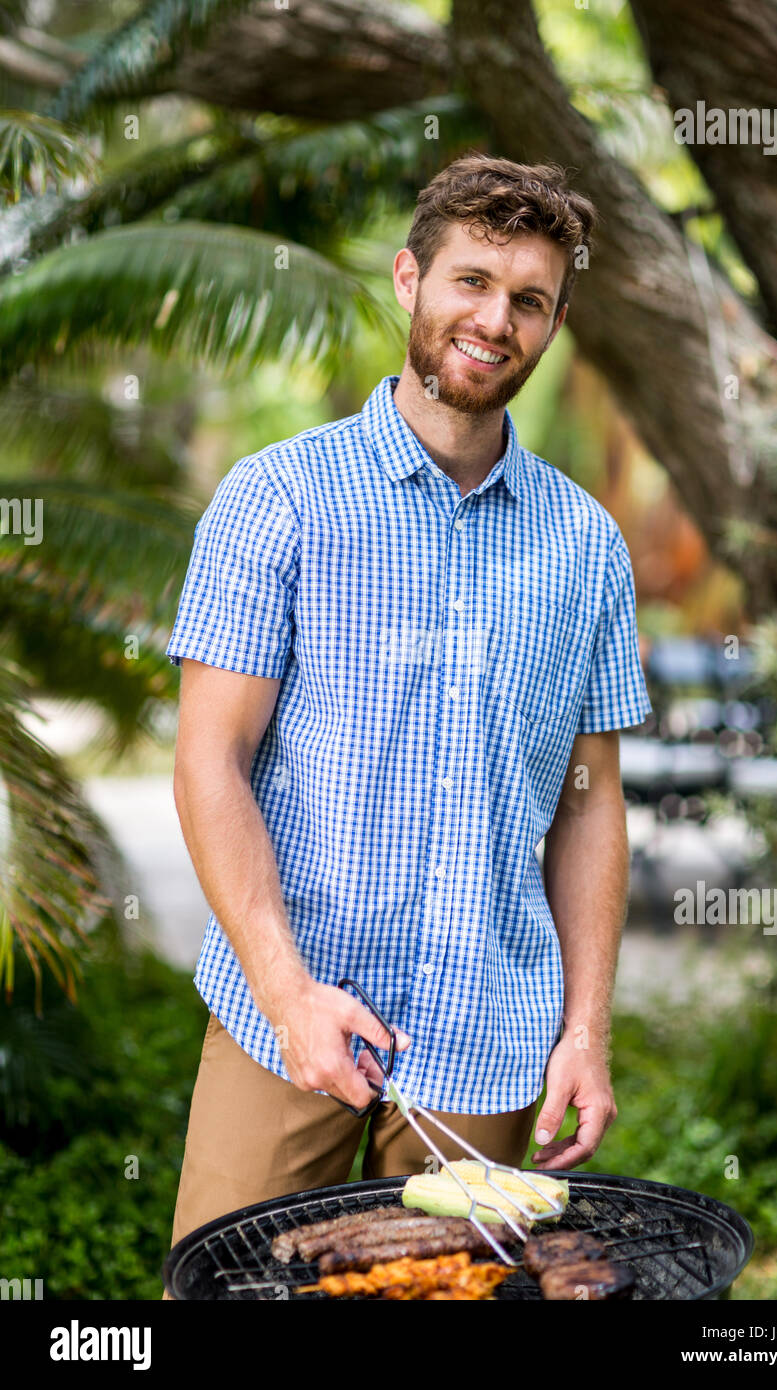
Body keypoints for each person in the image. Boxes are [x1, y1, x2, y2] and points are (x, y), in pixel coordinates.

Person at [161, 154, 653, 1283]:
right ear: (408, 279)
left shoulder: (585, 546)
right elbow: (209, 760)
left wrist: (584, 1030)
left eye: (528, 299)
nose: (494, 320)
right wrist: (285, 993)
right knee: (228, 1284)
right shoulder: (278, 498)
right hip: (284, 1015)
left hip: (485, 1042)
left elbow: (590, 805)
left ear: (555, 322)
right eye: (471, 281)